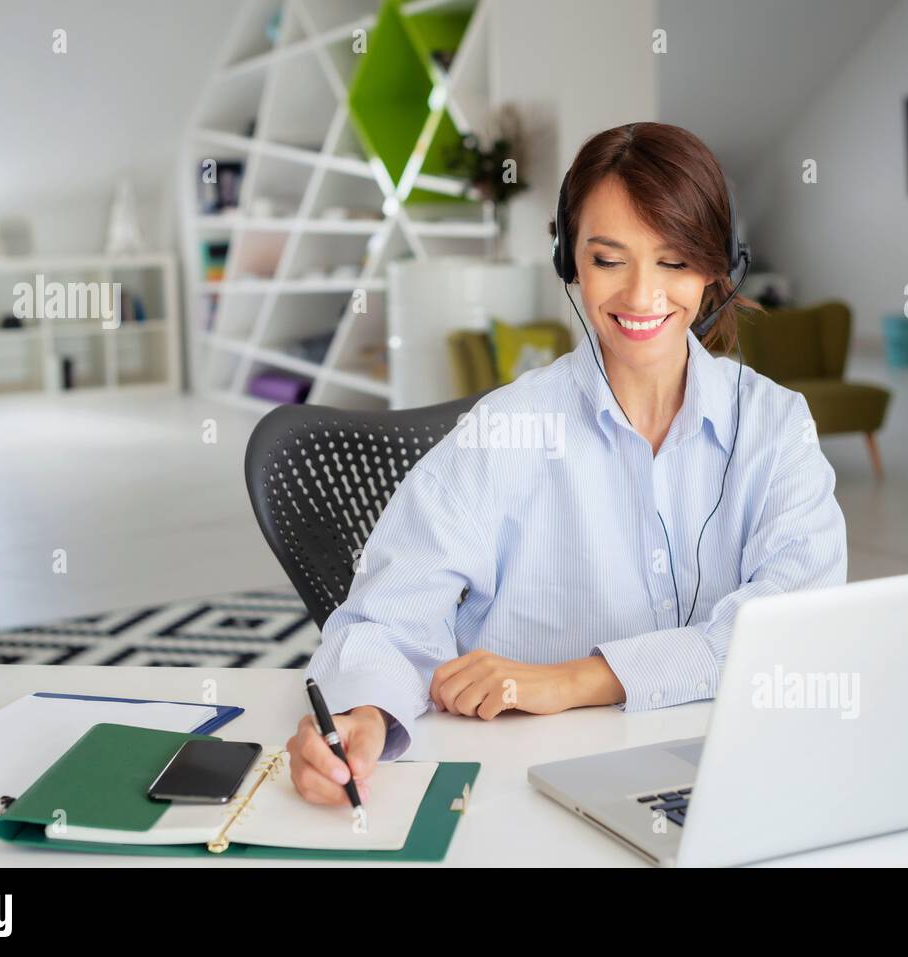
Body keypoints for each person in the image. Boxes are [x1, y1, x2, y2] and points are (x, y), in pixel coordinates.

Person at [287, 122, 847, 806]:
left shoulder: (775, 426)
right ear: (569, 264)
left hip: (733, 780)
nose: (643, 297)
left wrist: (575, 678)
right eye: (610, 259)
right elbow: (388, 614)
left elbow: (794, 624)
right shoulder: (505, 431)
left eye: (673, 261)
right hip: (524, 791)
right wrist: (363, 717)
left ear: (715, 267)